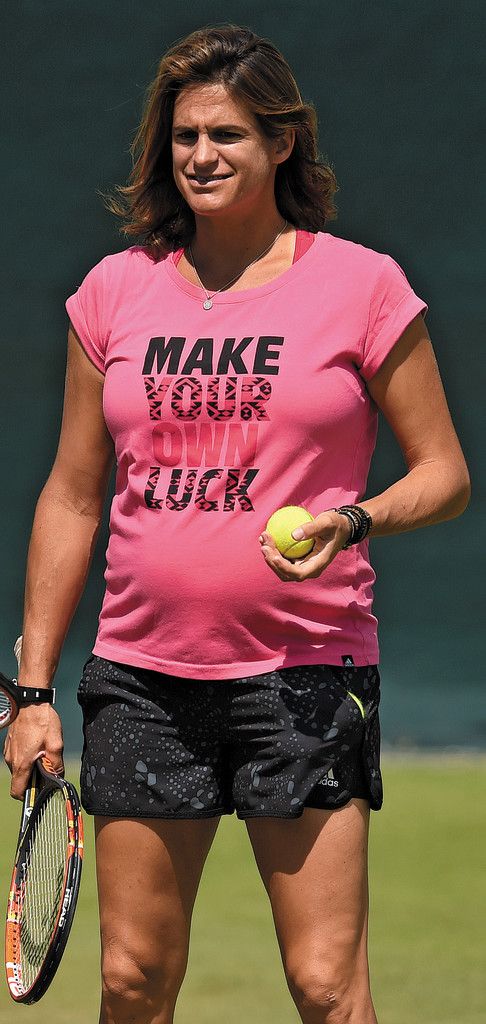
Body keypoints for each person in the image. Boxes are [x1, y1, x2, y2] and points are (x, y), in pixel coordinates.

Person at [4, 23, 470, 1024]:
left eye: (228, 133)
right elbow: (72, 494)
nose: (203, 156)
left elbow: (445, 474)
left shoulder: (363, 287)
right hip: (140, 683)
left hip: (307, 678)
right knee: (131, 982)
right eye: (184, 137)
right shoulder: (114, 294)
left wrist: (354, 519)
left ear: (282, 143)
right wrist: (32, 687)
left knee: (326, 986)